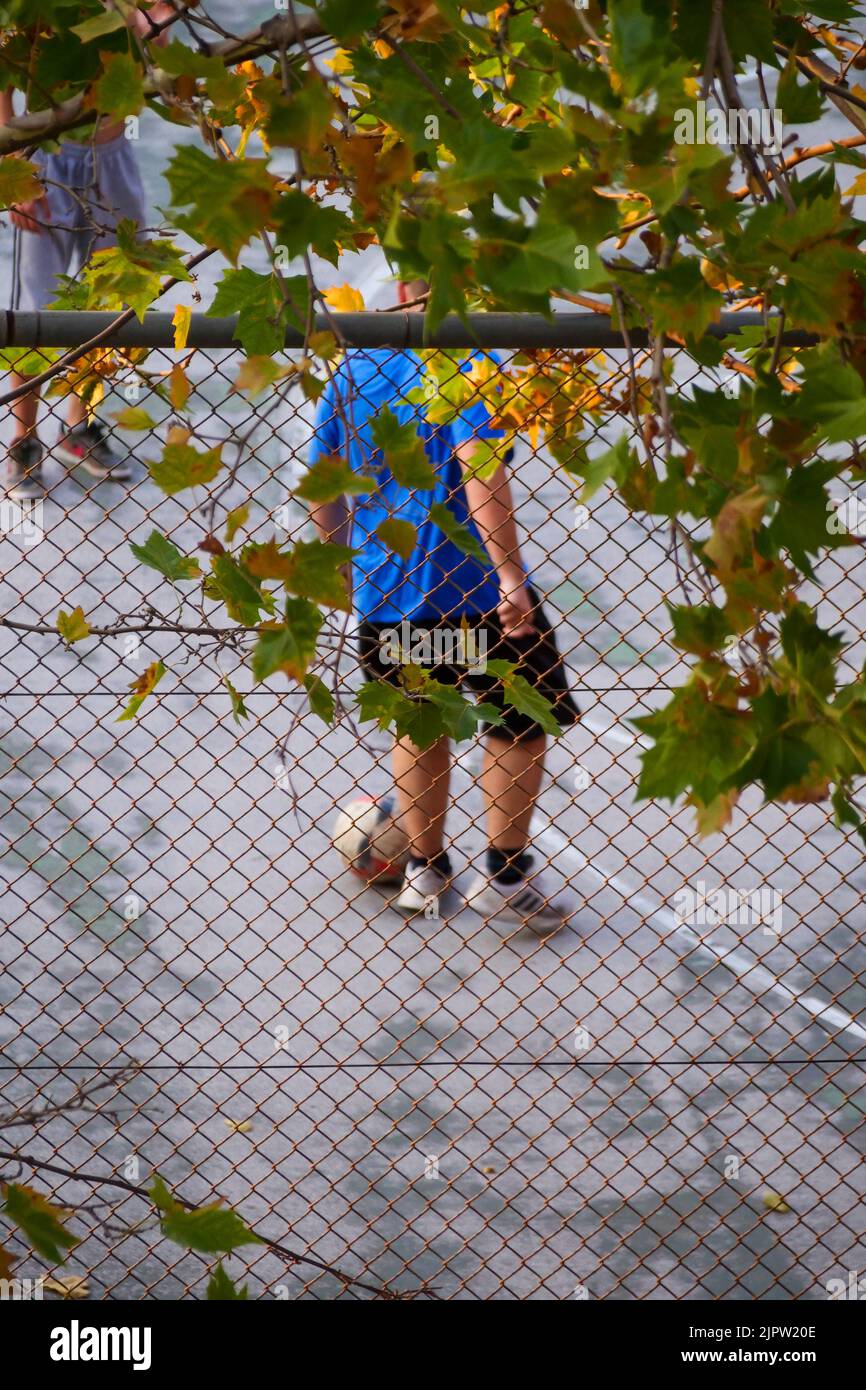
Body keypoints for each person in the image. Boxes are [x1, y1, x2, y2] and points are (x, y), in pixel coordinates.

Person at [309, 281, 580, 934]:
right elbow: (479, 464)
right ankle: (506, 875)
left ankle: (424, 872)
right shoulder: (463, 353)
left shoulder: (357, 357)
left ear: (400, 283)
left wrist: (340, 560)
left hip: (388, 588)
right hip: (471, 589)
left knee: (419, 724)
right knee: (521, 718)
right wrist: (511, 575)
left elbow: (324, 476)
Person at [1, 2, 173, 502]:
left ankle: (78, 427)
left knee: (113, 297)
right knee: (37, 308)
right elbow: (5, 77)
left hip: (114, 153)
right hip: (46, 153)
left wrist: (154, 15)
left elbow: (159, 55)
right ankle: (23, 439)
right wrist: (17, 169)